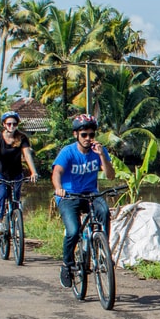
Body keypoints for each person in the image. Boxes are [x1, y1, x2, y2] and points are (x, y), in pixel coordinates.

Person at [52, 113, 114, 287]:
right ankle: (67, 265)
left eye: (91, 135)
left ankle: (102, 250)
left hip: (90, 193)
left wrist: (102, 155)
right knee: (73, 231)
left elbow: (110, 176)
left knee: (103, 211)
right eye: (84, 135)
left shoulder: (99, 151)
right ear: (76, 135)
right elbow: (56, 172)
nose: (88, 138)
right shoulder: (68, 152)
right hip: (69, 196)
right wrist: (59, 188)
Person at [0, 111, 39, 233]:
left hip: (16, 173)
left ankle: (15, 222)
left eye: (14, 124)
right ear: (4, 124)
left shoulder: (22, 138)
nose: (11, 126)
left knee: (15, 198)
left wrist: (33, 172)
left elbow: (27, 155)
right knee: (2, 194)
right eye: (9, 124)